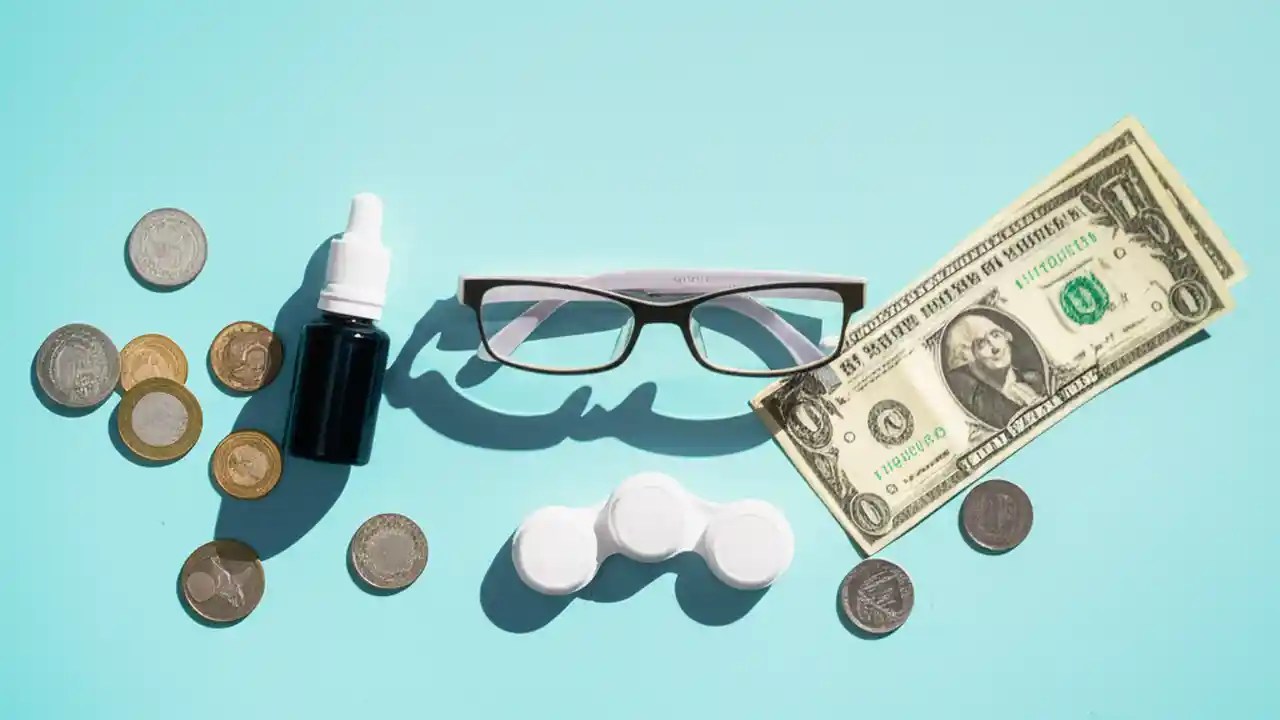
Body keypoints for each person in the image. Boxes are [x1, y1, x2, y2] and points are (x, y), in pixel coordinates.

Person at [943, 313, 1046, 428]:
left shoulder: (1035, 380)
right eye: (981, 343)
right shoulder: (977, 402)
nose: (994, 347)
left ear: (1007, 336)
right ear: (969, 356)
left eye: (996, 335)